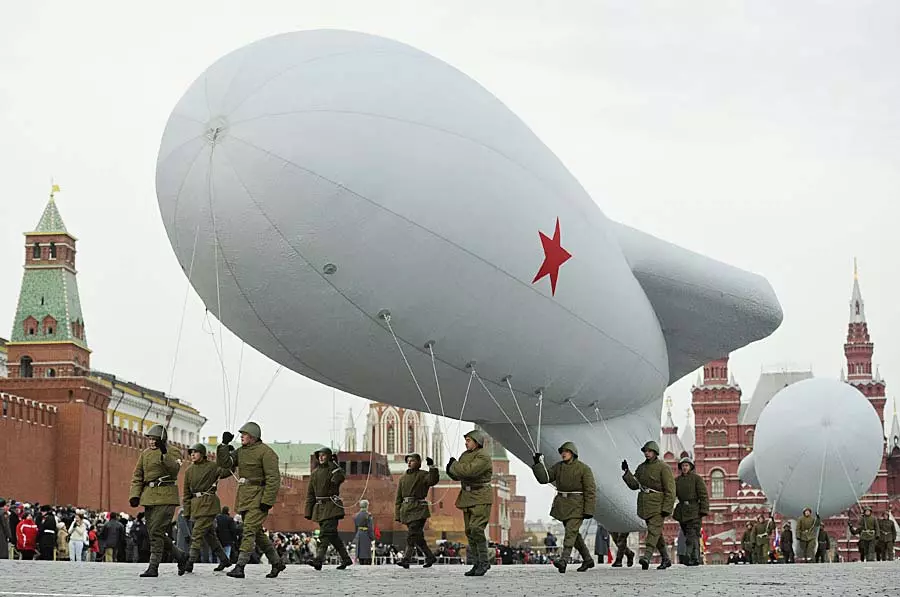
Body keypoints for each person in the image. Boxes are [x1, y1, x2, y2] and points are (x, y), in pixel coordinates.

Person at [216, 422, 286, 579]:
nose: (241, 436)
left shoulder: (266, 453)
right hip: (245, 496)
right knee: (257, 533)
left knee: (248, 530)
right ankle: (276, 563)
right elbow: (225, 464)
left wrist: (267, 500)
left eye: (244, 434)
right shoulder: (241, 452)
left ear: (253, 436)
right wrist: (224, 445)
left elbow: (273, 478)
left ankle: (240, 566)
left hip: (259, 496)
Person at [129, 423, 188, 577]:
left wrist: (164, 454)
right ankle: (180, 555)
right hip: (149, 497)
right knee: (154, 533)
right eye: (150, 439)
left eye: (155, 439)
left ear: (162, 440)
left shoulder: (173, 452)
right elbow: (137, 476)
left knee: (156, 531)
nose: (152, 442)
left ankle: (153, 567)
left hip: (166, 496)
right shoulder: (145, 454)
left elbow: (174, 469)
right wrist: (135, 495)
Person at [532, 441, 596, 573]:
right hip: (563, 505)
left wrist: (588, 510)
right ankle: (588, 560)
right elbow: (545, 478)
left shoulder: (584, 469)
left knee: (570, 533)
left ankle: (563, 560)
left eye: (566, 451)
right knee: (574, 534)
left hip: (577, 505)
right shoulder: (558, 467)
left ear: (573, 453)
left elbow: (590, 491)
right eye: (562, 452)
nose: (563, 454)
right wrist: (538, 464)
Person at [621, 440, 675, 570]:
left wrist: (667, 508)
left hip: (658, 504)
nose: (647, 453)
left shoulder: (664, 468)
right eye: (645, 451)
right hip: (645, 505)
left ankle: (647, 557)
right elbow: (635, 485)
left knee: (652, 532)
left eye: (649, 451)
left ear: (655, 452)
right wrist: (627, 472)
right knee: (656, 533)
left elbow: (670, 490)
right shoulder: (642, 468)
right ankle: (666, 559)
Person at [447, 428, 494, 577]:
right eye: (465, 440)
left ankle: (484, 562)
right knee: (469, 532)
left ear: (477, 442)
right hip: (467, 496)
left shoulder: (483, 457)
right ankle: (476, 563)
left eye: (468, 440)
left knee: (476, 529)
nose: (466, 443)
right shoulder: (465, 456)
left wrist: (455, 466)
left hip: (481, 496)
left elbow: (468, 471)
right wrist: (450, 469)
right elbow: (457, 475)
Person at [181, 443, 232, 574]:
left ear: (203, 454)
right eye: (191, 452)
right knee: (210, 536)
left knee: (197, 533)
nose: (192, 454)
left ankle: (190, 562)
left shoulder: (212, 467)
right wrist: (187, 511)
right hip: (196, 506)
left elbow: (226, 470)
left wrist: (226, 455)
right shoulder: (189, 471)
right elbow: (186, 493)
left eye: (195, 452)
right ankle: (224, 559)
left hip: (209, 504)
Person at [305, 446, 353, 570]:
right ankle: (346, 559)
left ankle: (318, 560)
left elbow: (340, 476)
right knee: (333, 536)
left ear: (329, 457)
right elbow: (310, 494)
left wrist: (333, 464)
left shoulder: (333, 469)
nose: (321, 457)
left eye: (324, 455)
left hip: (332, 507)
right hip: (320, 509)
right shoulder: (315, 473)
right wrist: (308, 511)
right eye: (319, 455)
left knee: (325, 534)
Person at [395, 453, 440, 569]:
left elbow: (432, 480)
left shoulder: (423, 475)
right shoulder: (402, 478)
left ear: (418, 463)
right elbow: (398, 498)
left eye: (412, 460)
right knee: (418, 538)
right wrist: (397, 514)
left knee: (412, 534)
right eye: (408, 461)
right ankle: (430, 557)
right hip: (407, 510)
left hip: (419, 509)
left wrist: (432, 467)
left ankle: (406, 559)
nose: (409, 463)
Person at [673, 456, 708, 566]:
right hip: (682, 511)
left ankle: (689, 556)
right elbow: (671, 494)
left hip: (694, 510)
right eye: (683, 466)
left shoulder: (697, 479)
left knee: (691, 534)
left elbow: (703, 495)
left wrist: (703, 509)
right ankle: (696, 557)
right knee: (691, 534)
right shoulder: (677, 481)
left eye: (686, 465)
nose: (684, 468)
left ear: (690, 467)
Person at [354, 499, 376, 565]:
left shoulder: (356, 515)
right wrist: (373, 538)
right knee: (366, 554)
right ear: (367, 506)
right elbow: (370, 528)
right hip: (366, 535)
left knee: (360, 554)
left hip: (359, 534)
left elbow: (356, 526)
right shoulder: (368, 515)